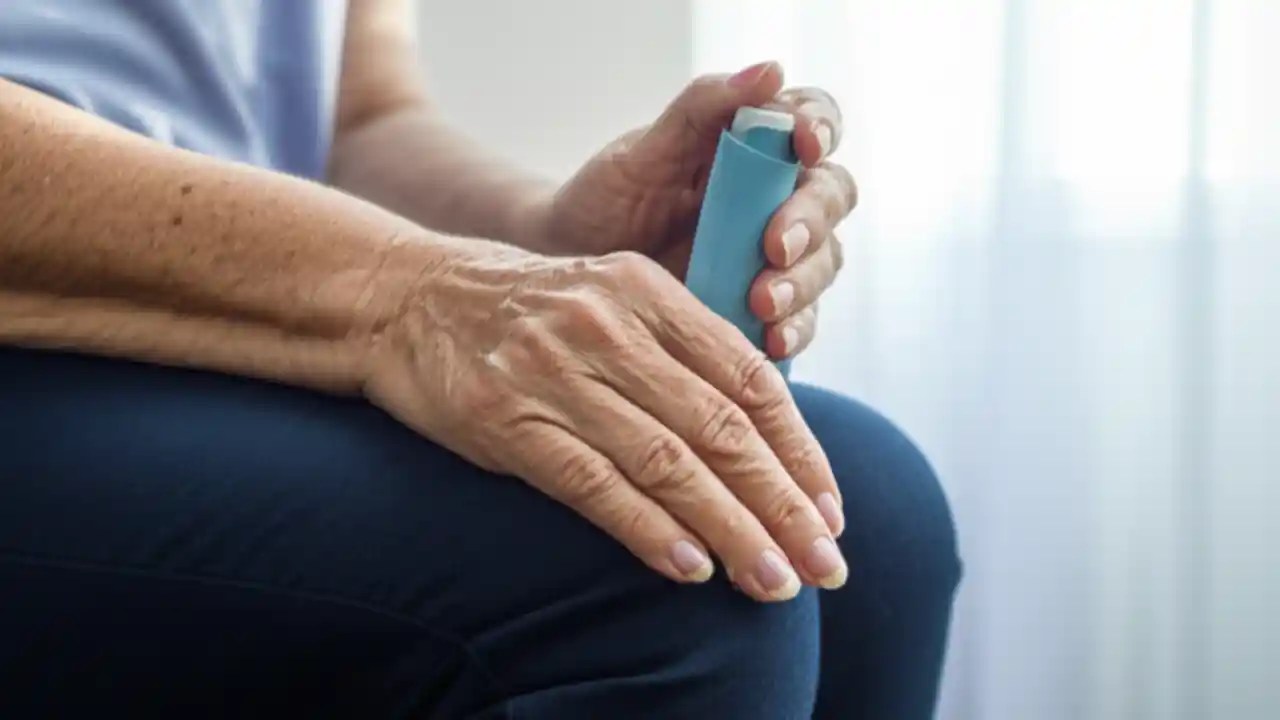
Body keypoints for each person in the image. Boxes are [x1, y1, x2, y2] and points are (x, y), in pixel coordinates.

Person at [0, 1, 960, 717]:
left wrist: (543, 241)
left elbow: (358, 119)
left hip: (235, 326)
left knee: (871, 514)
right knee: (656, 581)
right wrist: (403, 292)